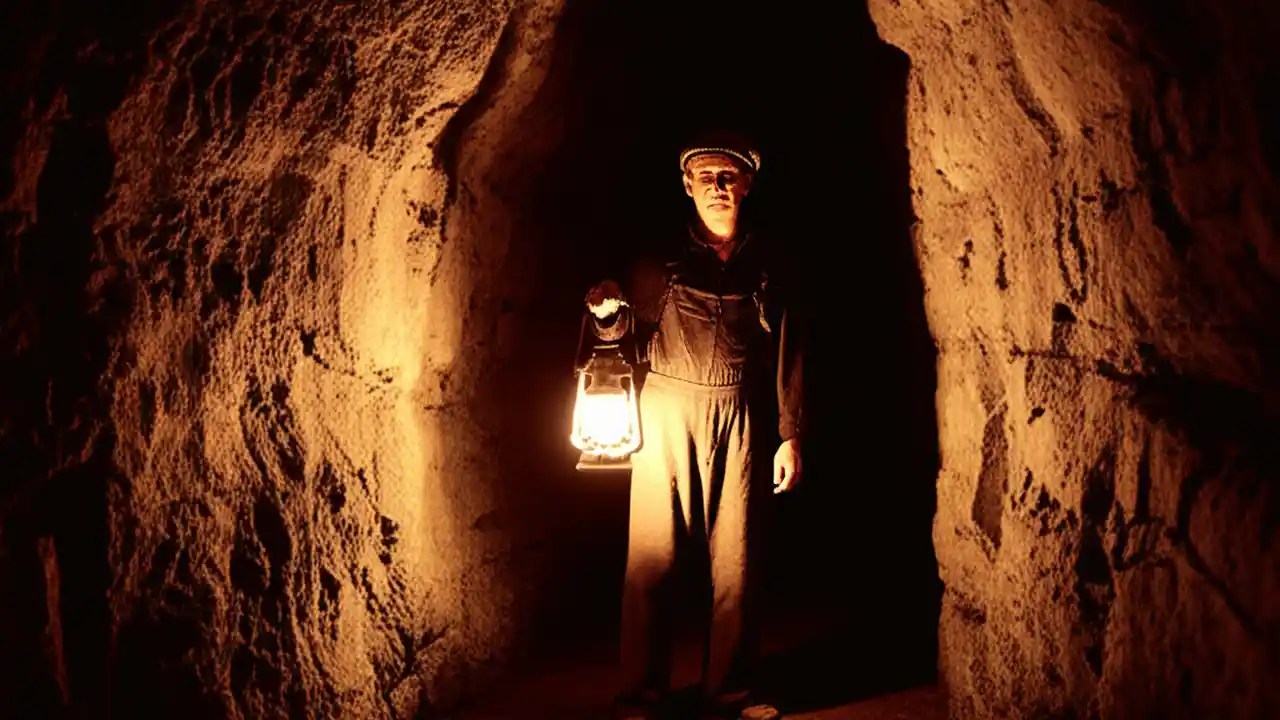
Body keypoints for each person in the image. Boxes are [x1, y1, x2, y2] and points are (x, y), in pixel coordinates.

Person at [586, 131, 806, 720]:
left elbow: (788, 352)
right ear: (687, 186)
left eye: (728, 176)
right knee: (651, 557)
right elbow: (618, 338)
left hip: (742, 413)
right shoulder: (658, 264)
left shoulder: (768, 265)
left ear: (748, 184)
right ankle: (641, 695)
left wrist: (790, 434)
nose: (717, 186)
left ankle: (730, 692)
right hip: (664, 410)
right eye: (706, 177)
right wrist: (607, 313)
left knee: (739, 557)